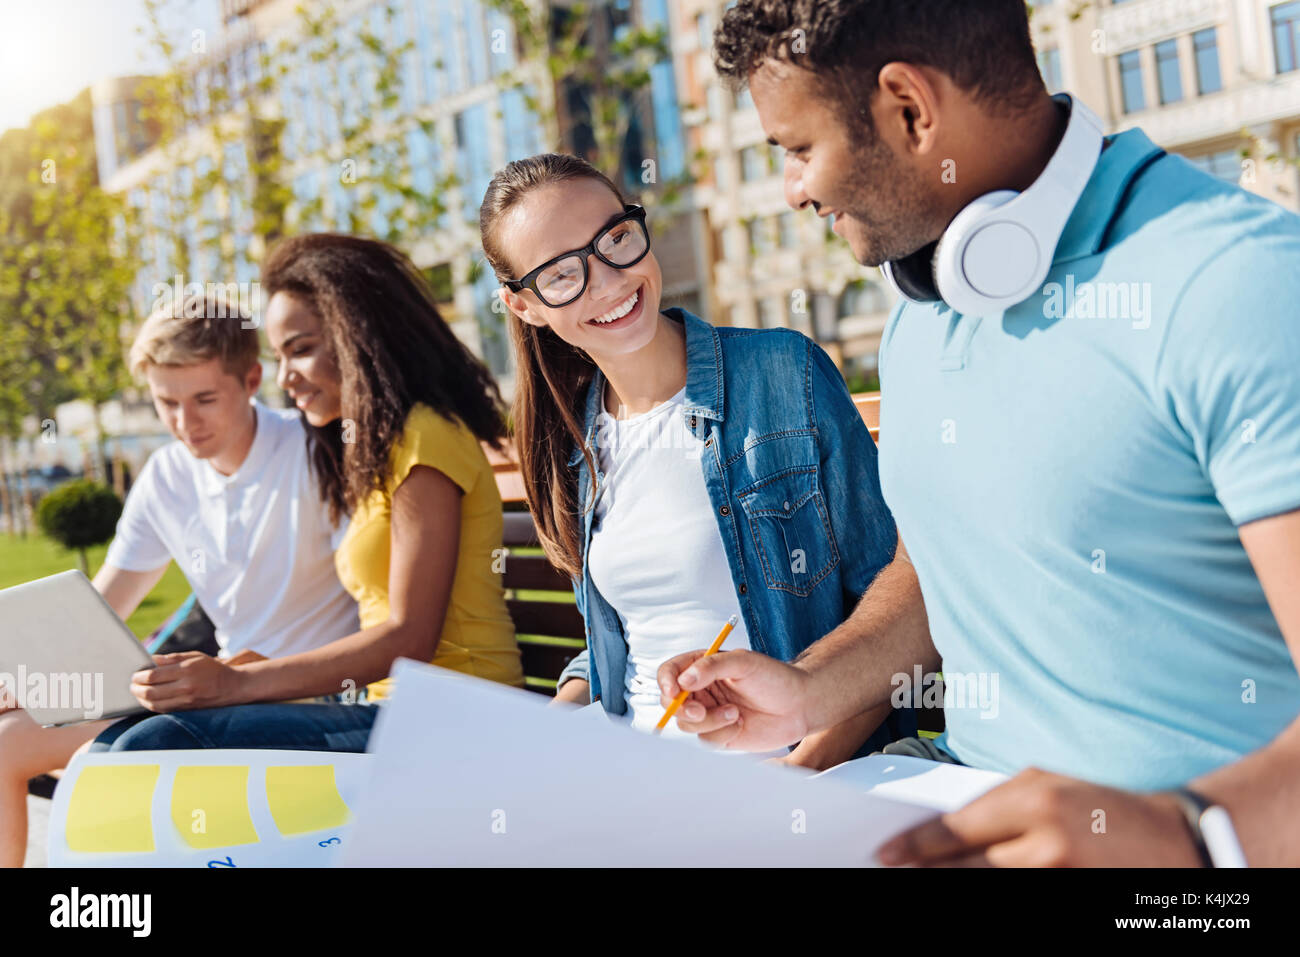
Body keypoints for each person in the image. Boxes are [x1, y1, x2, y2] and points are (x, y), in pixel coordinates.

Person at [657, 0, 1300, 866]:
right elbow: (944, 567)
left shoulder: (1240, 283)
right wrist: (811, 688)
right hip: (956, 800)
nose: (795, 190)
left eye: (799, 149)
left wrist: (1189, 835)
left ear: (910, 109)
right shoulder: (929, 299)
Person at [480, 152, 912, 768]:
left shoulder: (783, 375)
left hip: (784, 780)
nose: (606, 280)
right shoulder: (570, 444)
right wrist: (543, 739)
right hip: (633, 780)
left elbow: (889, 618)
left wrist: (794, 776)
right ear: (524, 306)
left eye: (615, 239)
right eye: (560, 275)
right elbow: (617, 650)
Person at [90, 235, 526, 756]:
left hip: (456, 717)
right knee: (117, 744)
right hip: (389, 710)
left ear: (356, 336)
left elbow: (410, 636)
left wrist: (236, 685)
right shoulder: (372, 447)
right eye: (278, 355)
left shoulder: (426, 436)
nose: (283, 378)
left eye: (299, 350)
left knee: (154, 747)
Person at [0, 293, 361, 867]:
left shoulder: (315, 451)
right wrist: (32, 676)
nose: (184, 424)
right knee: (5, 739)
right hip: (208, 691)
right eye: (166, 403)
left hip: (305, 696)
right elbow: (104, 607)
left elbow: (378, 613)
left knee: (111, 759)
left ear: (250, 378)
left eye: (204, 399)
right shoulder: (166, 476)